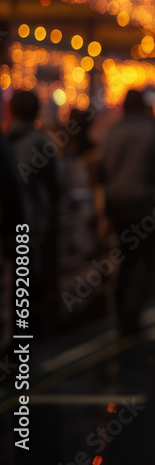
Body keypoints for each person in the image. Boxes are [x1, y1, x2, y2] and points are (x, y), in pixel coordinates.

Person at [98, 89, 155, 336]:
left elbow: (103, 173)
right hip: (147, 207)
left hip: (119, 208)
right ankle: (134, 314)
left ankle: (124, 316)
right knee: (147, 261)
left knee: (127, 259)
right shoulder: (151, 133)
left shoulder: (112, 133)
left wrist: (108, 210)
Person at [5, 90, 61, 334]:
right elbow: (56, 187)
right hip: (33, 222)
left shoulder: (6, 141)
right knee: (28, 276)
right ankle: (26, 332)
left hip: (8, 221)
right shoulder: (41, 143)